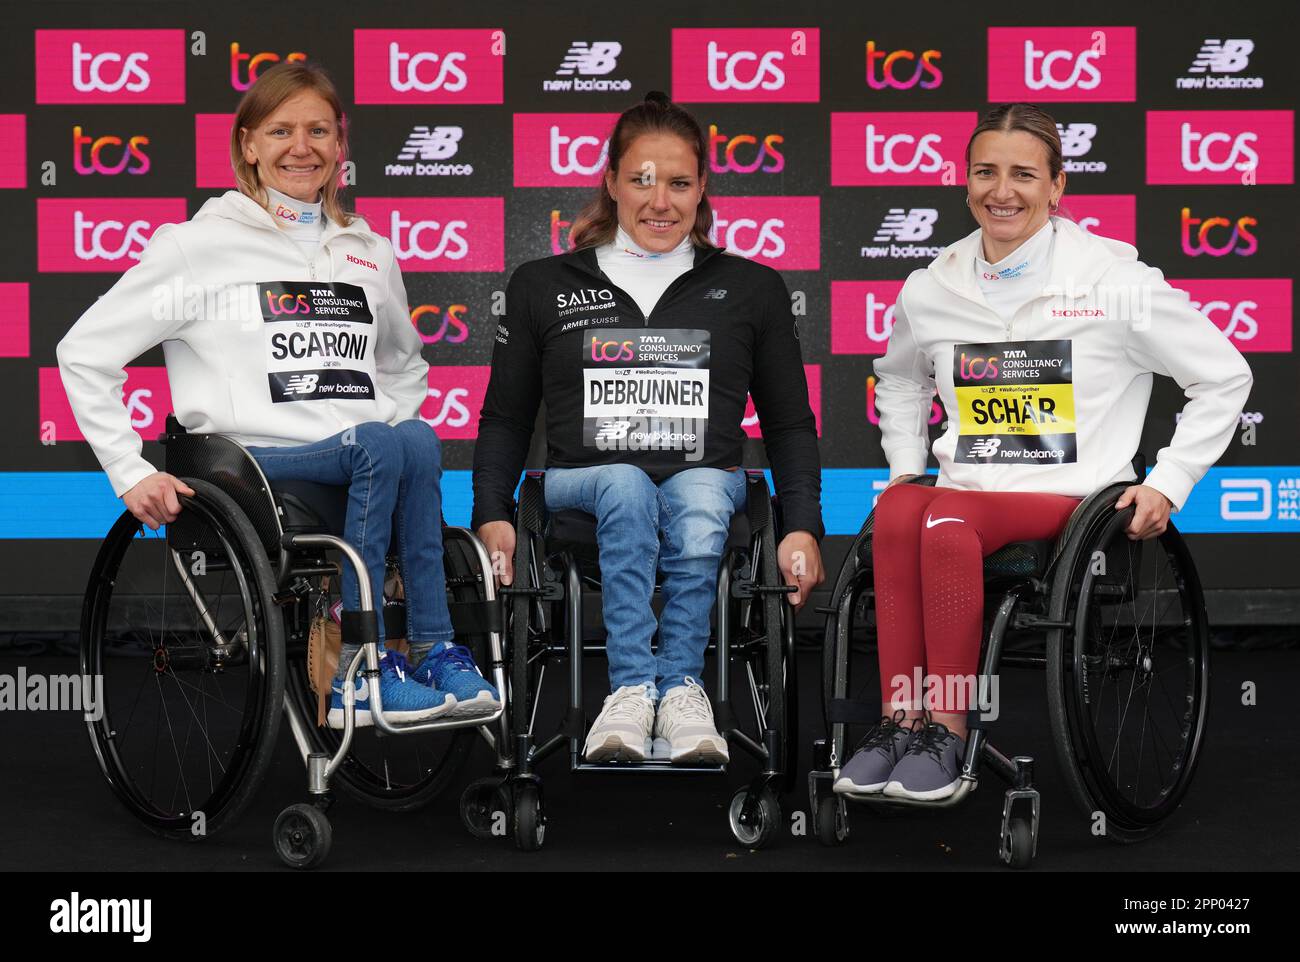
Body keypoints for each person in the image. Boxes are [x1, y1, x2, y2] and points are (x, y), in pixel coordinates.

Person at [56, 61, 499, 729]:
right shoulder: (197, 247)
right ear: (248, 146)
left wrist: (395, 439)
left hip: (359, 462)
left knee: (414, 438)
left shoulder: (369, 252)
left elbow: (404, 366)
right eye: (281, 130)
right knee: (386, 442)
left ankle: (436, 651)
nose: (302, 147)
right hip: (252, 469)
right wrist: (129, 470)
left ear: (340, 145)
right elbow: (84, 352)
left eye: (318, 130)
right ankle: (358, 669)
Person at [836, 103, 1253, 801]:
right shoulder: (931, 285)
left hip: (1069, 498)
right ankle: (898, 719)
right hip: (963, 490)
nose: (1003, 191)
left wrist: (1170, 480)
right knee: (902, 510)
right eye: (986, 172)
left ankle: (945, 726)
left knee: (941, 523)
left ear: (1058, 186)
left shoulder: (1114, 282)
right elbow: (898, 378)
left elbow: (1224, 374)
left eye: (1024, 175)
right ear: (965, 182)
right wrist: (907, 464)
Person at [473, 92, 825, 764]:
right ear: (611, 184)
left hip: (706, 492)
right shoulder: (542, 283)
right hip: (584, 492)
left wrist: (803, 525)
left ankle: (682, 689)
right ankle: (632, 688)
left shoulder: (752, 287)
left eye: (678, 182)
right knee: (628, 485)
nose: (659, 201)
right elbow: (507, 417)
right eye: (640, 180)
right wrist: (490, 512)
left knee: (696, 492)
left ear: (701, 190)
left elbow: (788, 422)